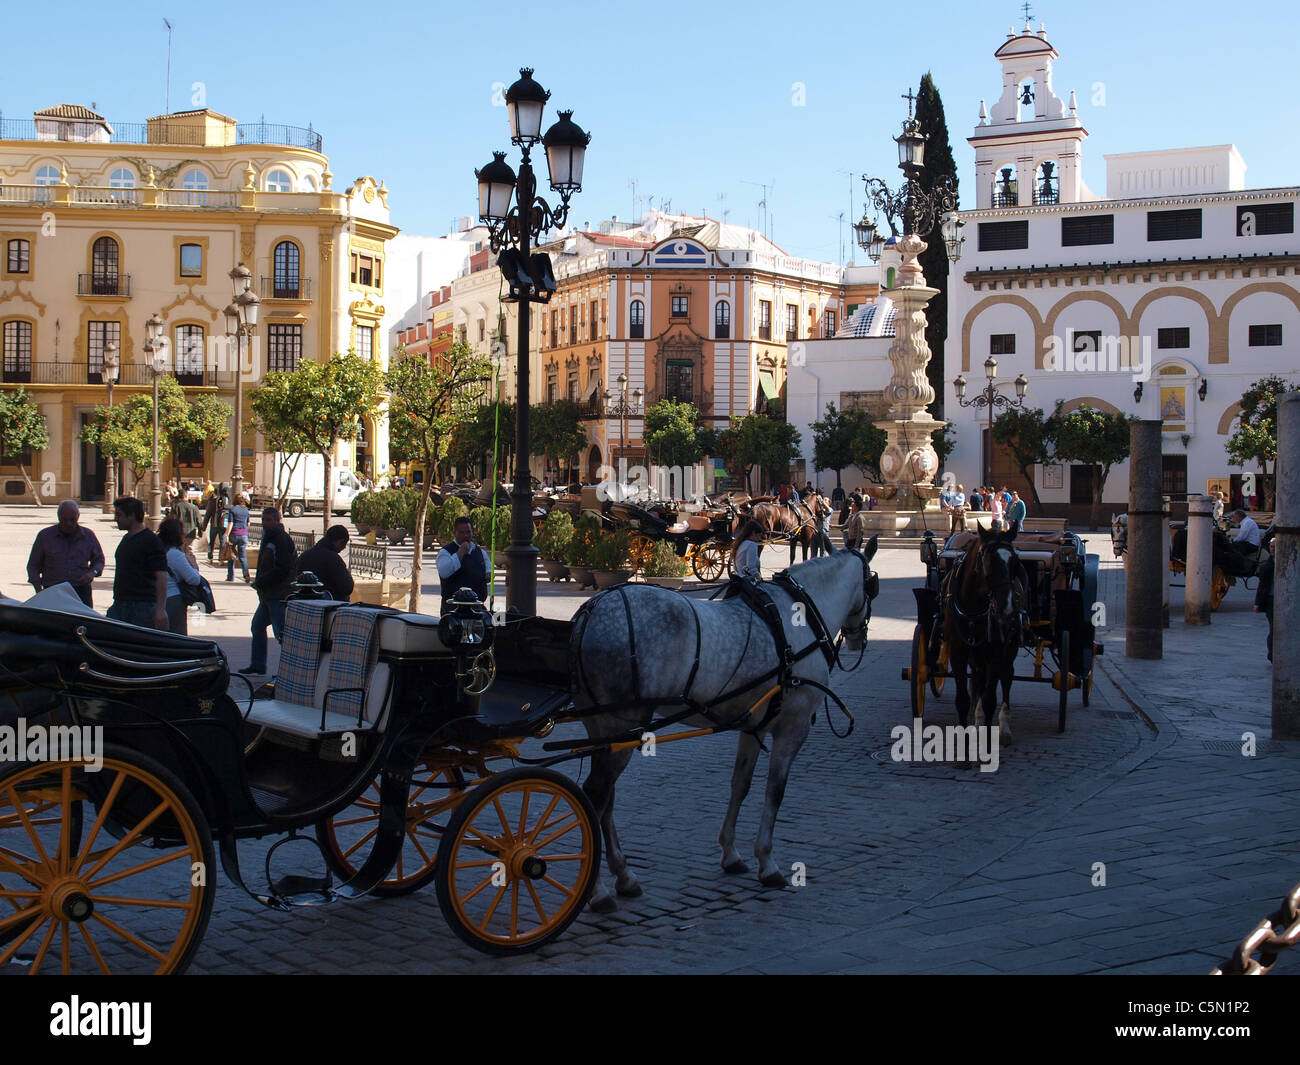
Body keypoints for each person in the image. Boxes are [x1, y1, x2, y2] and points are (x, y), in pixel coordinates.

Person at [242, 508, 297, 675]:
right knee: (257, 626)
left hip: (278, 594)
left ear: (276, 521)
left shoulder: (281, 540)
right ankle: (258, 665)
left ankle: (290, 669)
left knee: (281, 633)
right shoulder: (269, 538)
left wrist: (262, 581)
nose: (264, 523)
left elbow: (283, 568)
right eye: (263, 520)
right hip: (267, 594)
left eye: (268, 520)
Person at [27, 500, 106, 607]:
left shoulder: (88, 535)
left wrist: (93, 573)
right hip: (53, 591)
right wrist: (39, 591)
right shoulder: (45, 536)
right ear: (59, 517)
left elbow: (99, 560)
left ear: (78, 517)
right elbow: (33, 565)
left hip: (80, 591)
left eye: (72, 520)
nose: (69, 524)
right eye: (65, 520)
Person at [107, 497, 168, 630]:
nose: (116, 519)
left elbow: (162, 577)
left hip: (142, 607)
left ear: (132, 516)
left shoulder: (151, 541)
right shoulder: (126, 539)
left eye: (119, 515)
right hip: (120, 604)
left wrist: (161, 610)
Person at [158, 517, 203, 635]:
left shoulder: (159, 550)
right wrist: (193, 565)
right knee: (177, 635)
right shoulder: (175, 554)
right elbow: (194, 579)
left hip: (158, 598)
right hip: (173, 599)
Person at [437, 515, 491, 613]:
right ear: (455, 533)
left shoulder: (480, 552)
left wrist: (489, 574)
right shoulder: (446, 552)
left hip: (476, 607)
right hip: (453, 609)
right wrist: (459, 553)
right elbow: (444, 573)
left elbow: (488, 569)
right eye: (461, 532)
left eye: (468, 532)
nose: (465, 536)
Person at [297, 525, 355, 602]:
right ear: (339, 541)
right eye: (344, 545)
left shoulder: (305, 555)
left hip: (305, 602)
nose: (343, 548)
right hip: (330, 604)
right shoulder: (333, 558)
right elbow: (346, 587)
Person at [1255, 542, 1275, 662]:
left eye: (1275, 547)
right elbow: (1261, 586)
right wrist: (1257, 603)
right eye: (1272, 547)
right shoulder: (1267, 565)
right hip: (1271, 599)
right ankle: (1272, 653)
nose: (1273, 549)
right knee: (1273, 628)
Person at [226, 493, 252, 583]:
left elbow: (230, 523)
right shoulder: (246, 510)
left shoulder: (232, 510)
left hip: (234, 534)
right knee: (243, 556)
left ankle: (230, 576)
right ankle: (246, 575)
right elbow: (248, 523)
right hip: (244, 534)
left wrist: (226, 535)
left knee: (231, 555)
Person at [203, 483, 229, 563]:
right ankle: (221, 559)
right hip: (223, 524)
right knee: (222, 542)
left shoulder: (213, 501)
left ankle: (210, 557)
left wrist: (204, 526)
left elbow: (208, 514)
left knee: (212, 542)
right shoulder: (227, 501)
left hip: (214, 524)